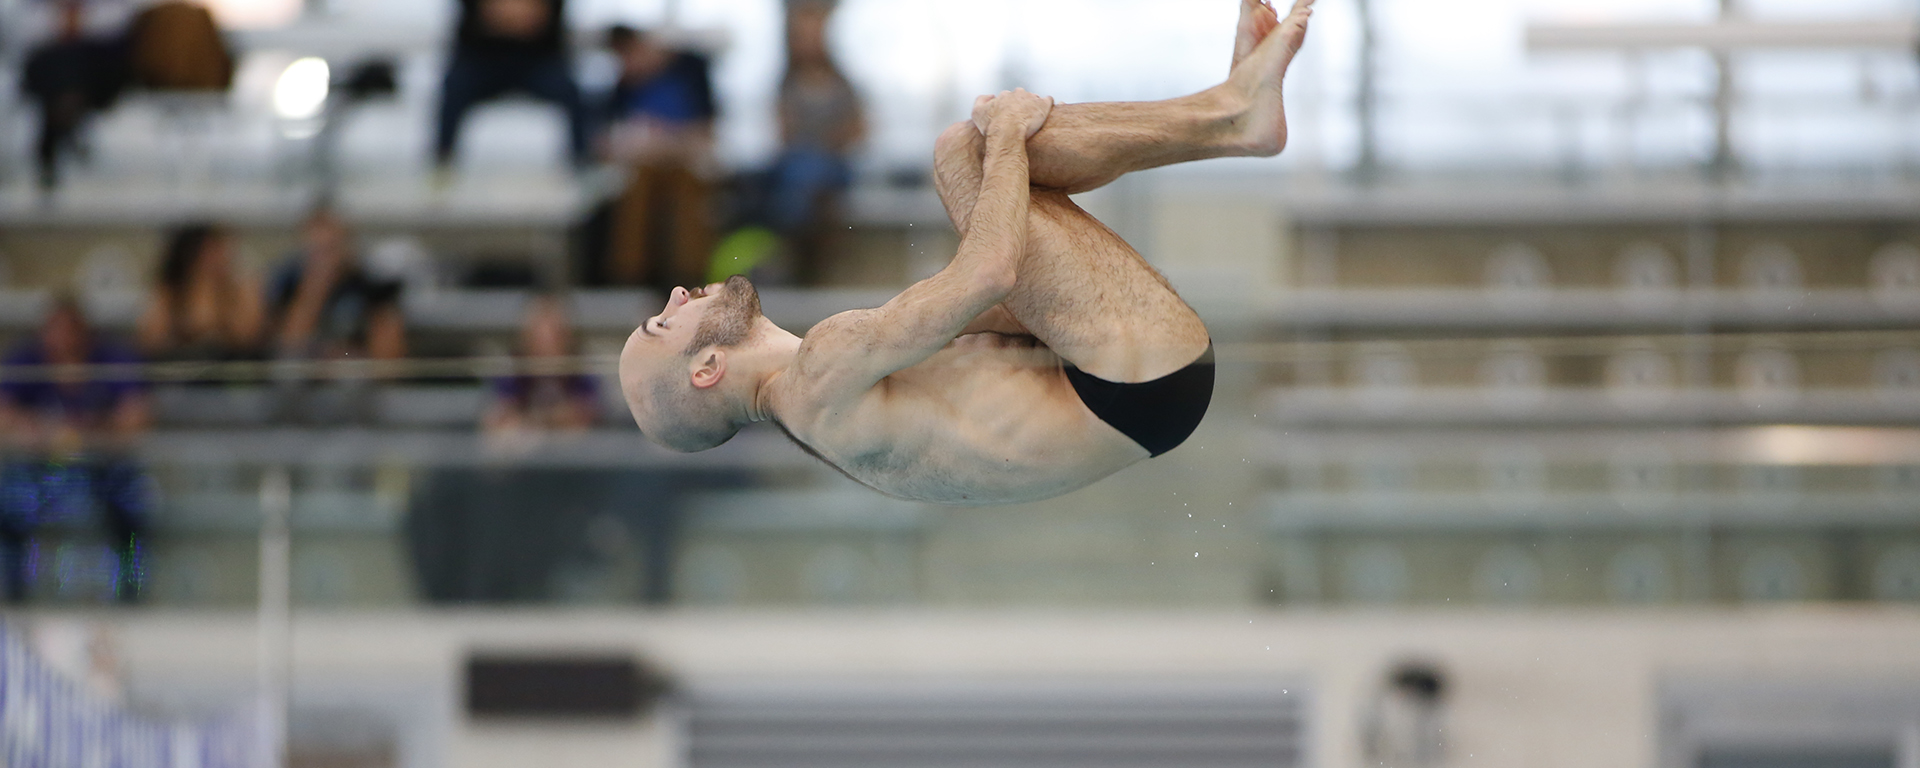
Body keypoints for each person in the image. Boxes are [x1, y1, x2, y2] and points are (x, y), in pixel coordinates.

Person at [620, 0, 1313, 505]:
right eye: (663, 322)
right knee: (983, 144)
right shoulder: (822, 370)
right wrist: (1011, 134)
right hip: (1136, 378)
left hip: (1132, 392)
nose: (676, 297)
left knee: (961, 153)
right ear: (708, 368)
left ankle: (1233, 116)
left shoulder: (817, 412)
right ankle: (1232, 114)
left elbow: (995, 316)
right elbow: (988, 272)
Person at [0, 297, 152, 602]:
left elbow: (137, 415)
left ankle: (130, 593)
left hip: (99, 466)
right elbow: (4, 417)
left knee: (132, 502)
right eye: (56, 330)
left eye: (71, 330)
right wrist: (41, 430)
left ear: (85, 332)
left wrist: (91, 429)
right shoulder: (26, 361)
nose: (64, 339)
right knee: (9, 501)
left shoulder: (110, 359)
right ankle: (15, 594)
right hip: (40, 469)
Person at [599, 25, 719, 287]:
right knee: (638, 189)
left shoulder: (690, 72)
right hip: (640, 171)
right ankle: (630, 278)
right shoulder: (622, 87)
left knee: (686, 189)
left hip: (687, 165)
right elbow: (605, 142)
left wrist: (667, 143)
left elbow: (707, 135)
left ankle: (688, 275)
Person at [767, 0, 864, 284]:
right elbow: (784, 133)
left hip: (832, 164)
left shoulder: (843, 83)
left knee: (812, 176)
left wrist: (826, 143)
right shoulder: (786, 84)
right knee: (802, 174)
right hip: (800, 164)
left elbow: (858, 129)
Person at [435, 0, 590, 171]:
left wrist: (510, 14)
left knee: (571, 90)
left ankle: (582, 163)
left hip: (537, 61)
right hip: (482, 60)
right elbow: (488, 16)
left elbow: (536, 19)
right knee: (454, 85)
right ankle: (442, 161)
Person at [269, 207, 406, 361]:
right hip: (306, 364)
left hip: (352, 365)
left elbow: (389, 357)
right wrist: (315, 288)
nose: (326, 260)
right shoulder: (288, 281)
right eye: (318, 251)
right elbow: (290, 343)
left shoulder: (369, 282)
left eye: (331, 248)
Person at [20, 0, 129, 190]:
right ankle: (68, 120)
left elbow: (120, 24)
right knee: (60, 67)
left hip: (93, 67)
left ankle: (51, 146)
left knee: (67, 70)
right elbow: (23, 32)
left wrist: (75, 21)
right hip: (50, 66)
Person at [136, 223, 265, 361]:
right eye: (206, 251)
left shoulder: (243, 287)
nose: (214, 258)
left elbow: (247, 336)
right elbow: (151, 340)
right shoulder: (171, 290)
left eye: (219, 249)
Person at [484, 295, 599, 439]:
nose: (546, 344)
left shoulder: (580, 368)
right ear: (526, 336)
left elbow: (589, 415)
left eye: (554, 335)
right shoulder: (513, 370)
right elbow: (497, 419)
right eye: (539, 335)